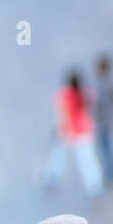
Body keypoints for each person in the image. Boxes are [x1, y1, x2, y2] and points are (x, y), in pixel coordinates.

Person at [42, 69, 103, 197]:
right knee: (87, 160)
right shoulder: (87, 93)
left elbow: (63, 115)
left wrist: (59, 130)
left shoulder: (64, 95)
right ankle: (94, 186)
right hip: (84, 131)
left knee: (57, 156)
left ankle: (53, 177)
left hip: (68, 131)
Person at [92, 53, 113, 185]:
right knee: (102, 148)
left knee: (110, 147)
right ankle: (108, 173)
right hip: (99, 122)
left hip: (109, 121)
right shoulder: (97, 83)